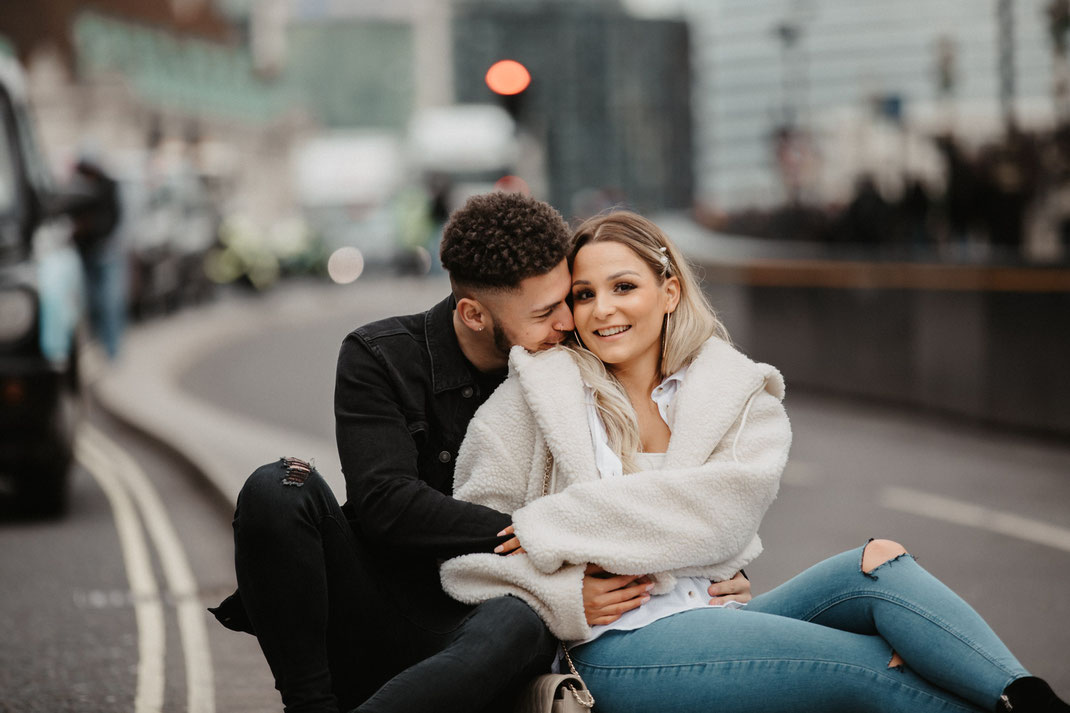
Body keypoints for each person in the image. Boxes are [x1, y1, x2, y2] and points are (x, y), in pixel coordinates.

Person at [441, 210, 1070, 713]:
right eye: (583, 295)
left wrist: (556, 524)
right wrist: (565, 593)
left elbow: (722, 522)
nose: (602, 309)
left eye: (623, 287)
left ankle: (1028, 698)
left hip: (710, 615)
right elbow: (467, 557)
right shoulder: (537, 397)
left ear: (669, 290)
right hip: (612, 646)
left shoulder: (734, 394)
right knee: (872, 667)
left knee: (878, 566)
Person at [209, 193, 730, 713]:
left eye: (567, 300)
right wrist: (538, 534)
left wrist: (705, 570)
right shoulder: (381, 355)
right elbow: (386, 502)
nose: (569, 323)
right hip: (374, 605)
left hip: (483, 625)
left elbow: (647, 475)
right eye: (546, 311)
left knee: (518, 621)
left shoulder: (575, 356)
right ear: (474, 314)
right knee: (277, 486)